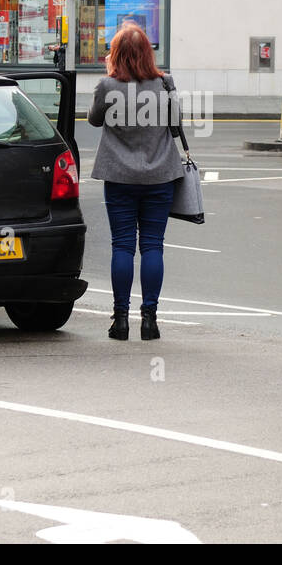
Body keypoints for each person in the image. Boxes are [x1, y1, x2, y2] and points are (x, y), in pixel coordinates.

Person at [88, 25, 184, 342]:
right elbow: (175, 126)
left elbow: (94, 119)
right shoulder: (165, 84)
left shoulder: (107, 86)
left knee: (123, 246)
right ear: (147, 53)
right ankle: (150, 320)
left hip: (119, 177)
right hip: (160, 176)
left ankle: (120, 321)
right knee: (153, 246)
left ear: (115, 54)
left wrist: (110, 77)